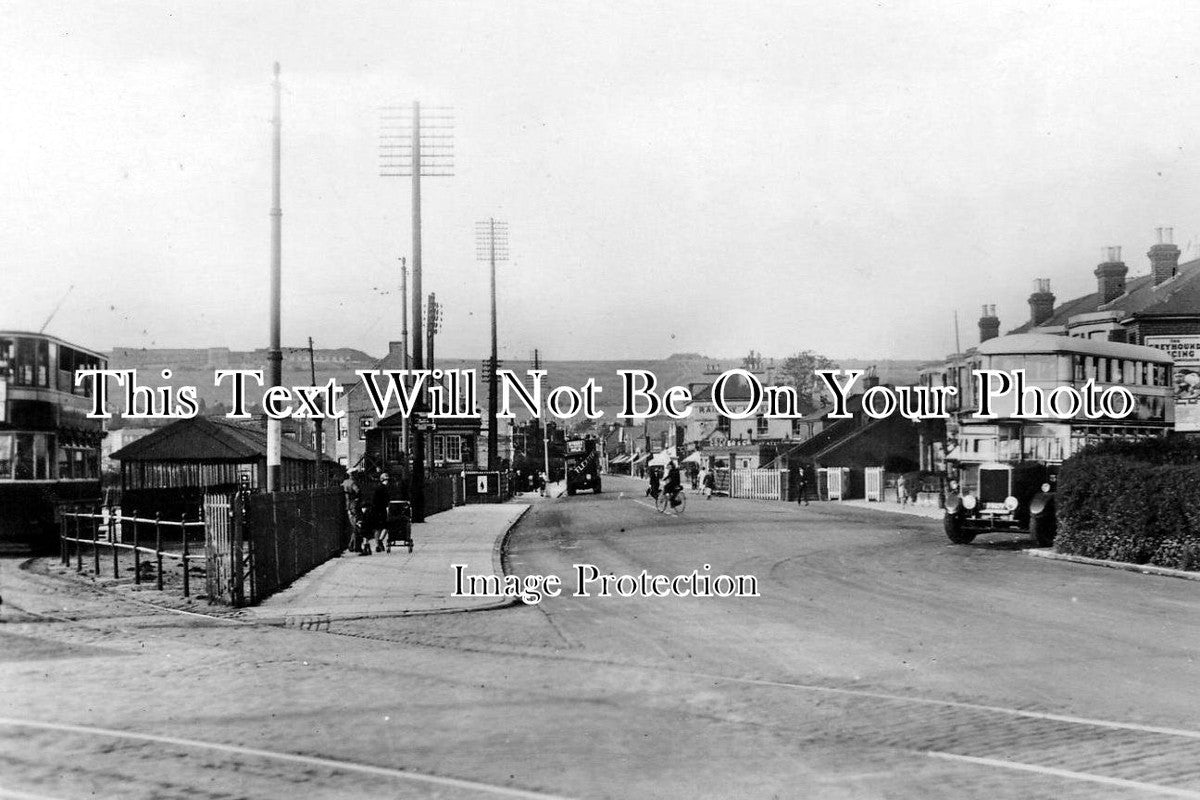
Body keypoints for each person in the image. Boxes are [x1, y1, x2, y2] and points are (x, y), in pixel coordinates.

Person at [369, 472, 395, 554]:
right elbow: (387, 500)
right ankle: (380, 541)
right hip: (382, 510)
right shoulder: (386, 489)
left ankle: (377, 544)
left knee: (377, 528)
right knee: (386, 526)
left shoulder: (377, 488)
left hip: (375, 510)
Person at [341, 470, 363, 553]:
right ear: (353, 475)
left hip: (347, 506)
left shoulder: (345, 482)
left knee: (354, 526)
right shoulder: (353, 483)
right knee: (357, 526)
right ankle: (352, 545)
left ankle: (352, 544)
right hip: (354, 506)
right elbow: (357, 491)